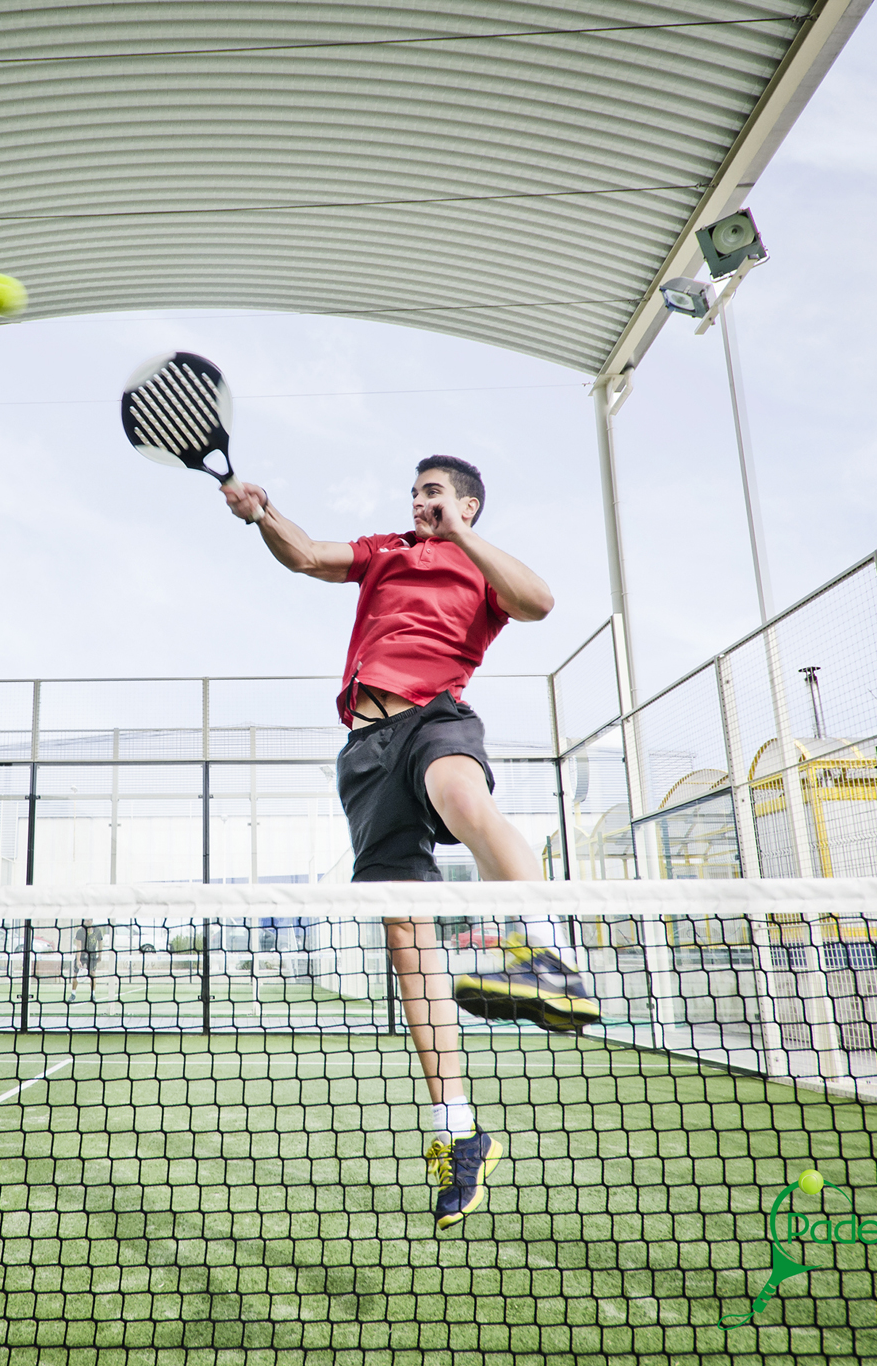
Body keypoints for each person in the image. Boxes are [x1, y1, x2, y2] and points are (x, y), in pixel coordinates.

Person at [222, 455, 553, 1229]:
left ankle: (541, 944)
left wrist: (463, 540)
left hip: (434, 719)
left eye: (433, 492)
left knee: (461, 795)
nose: (419, 502)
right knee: (408, 941)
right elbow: (306, 555)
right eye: (415, 492)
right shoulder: (386, 551)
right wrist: (263, 512)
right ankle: (457, 1131)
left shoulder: (483, 570)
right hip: (366, 754)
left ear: (468, 504)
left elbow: (539, 601)